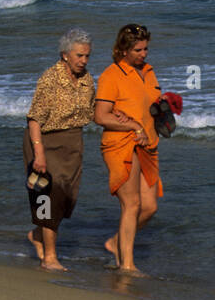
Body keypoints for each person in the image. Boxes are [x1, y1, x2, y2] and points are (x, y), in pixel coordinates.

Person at [23, 29, 96, 270]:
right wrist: (39, 153)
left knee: (66, 199)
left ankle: (37, 235)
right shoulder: (50, 79)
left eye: (87, 56)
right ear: (65, 55)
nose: (84, 61)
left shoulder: (87, 79)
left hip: (72, 144)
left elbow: (92, 111)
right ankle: (50, 258)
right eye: (79, 56)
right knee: (47, 198)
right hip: (44, 140)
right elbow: (34, 119)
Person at [95, 23, 164, 274]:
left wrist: (166, 109)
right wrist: (134, 126)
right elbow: (100, 116)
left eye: (146, 49)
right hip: (120, 144)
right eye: (138, 50)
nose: (144, 54)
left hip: (148, 145)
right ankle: (127, 265)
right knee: (132, 204)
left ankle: (115, 243)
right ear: (123, 49)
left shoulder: (149, 72)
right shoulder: (111, 75)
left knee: (149, 207)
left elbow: (150, 104)